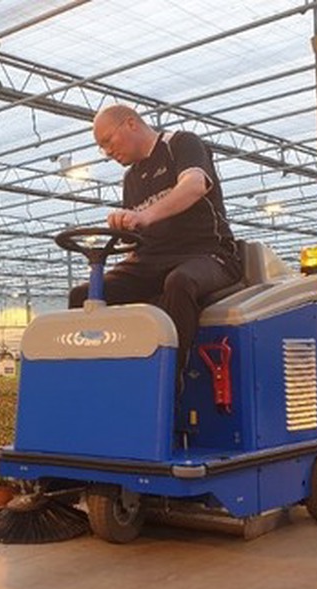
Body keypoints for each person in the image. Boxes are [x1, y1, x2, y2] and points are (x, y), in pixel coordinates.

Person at [69, 104, 243, 387]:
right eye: (101, 148)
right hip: (151, 261)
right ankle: (96, 382)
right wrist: (123, 227)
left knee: (180, 281)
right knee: (85, 294)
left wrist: (144, 216)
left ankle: (170, 382)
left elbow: (195, 184)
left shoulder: (181, 144)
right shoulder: (131, 178)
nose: (107, 152)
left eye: (107, 142)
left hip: (209, 254)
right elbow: (136, 237)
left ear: (130, 124)